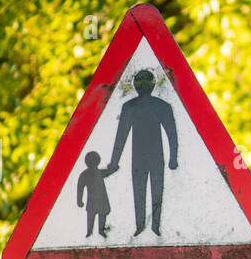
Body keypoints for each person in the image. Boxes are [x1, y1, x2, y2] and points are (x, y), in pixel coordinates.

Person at [106, 68, 178, 235]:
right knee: (141, 191)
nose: (143, 86)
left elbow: (171, 133)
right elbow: (121, 137)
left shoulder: (161, 106)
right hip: (139, 158)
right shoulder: (130, 107)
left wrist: (173, 158)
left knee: (155, 191)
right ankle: (141, 227)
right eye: (141, 82)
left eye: (146, 82)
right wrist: (114, 162)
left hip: (153, 157)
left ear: (152, 85)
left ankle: (155, 227)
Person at [76, 151, 118, 238]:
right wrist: (79, 201)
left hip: (101, 198)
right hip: (93, 199)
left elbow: (109, 172)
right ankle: (89, 232)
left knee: (101, 214)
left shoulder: (97, 172)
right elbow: (80, 188)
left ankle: (100, 230)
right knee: (91, 215)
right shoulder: (85, 175)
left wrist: (114, 168)